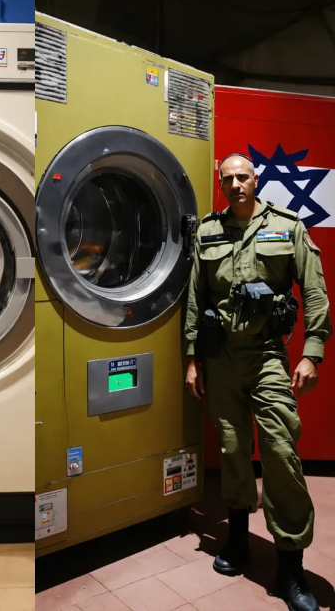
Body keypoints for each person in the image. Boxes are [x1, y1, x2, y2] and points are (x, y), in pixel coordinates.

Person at [184, 152, 331, 611]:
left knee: (281, 453)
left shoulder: (288, 227)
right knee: (231, 448)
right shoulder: (207, 231)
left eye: (242, 176)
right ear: (221, 184)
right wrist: (192, 357)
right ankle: (239, 541)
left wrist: (312, 352)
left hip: (268, 356)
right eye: (226, 178)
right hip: (221, 357)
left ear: (256, 179)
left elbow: (314, 291)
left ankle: (290, 567)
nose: (234, 184)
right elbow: (195, 296)